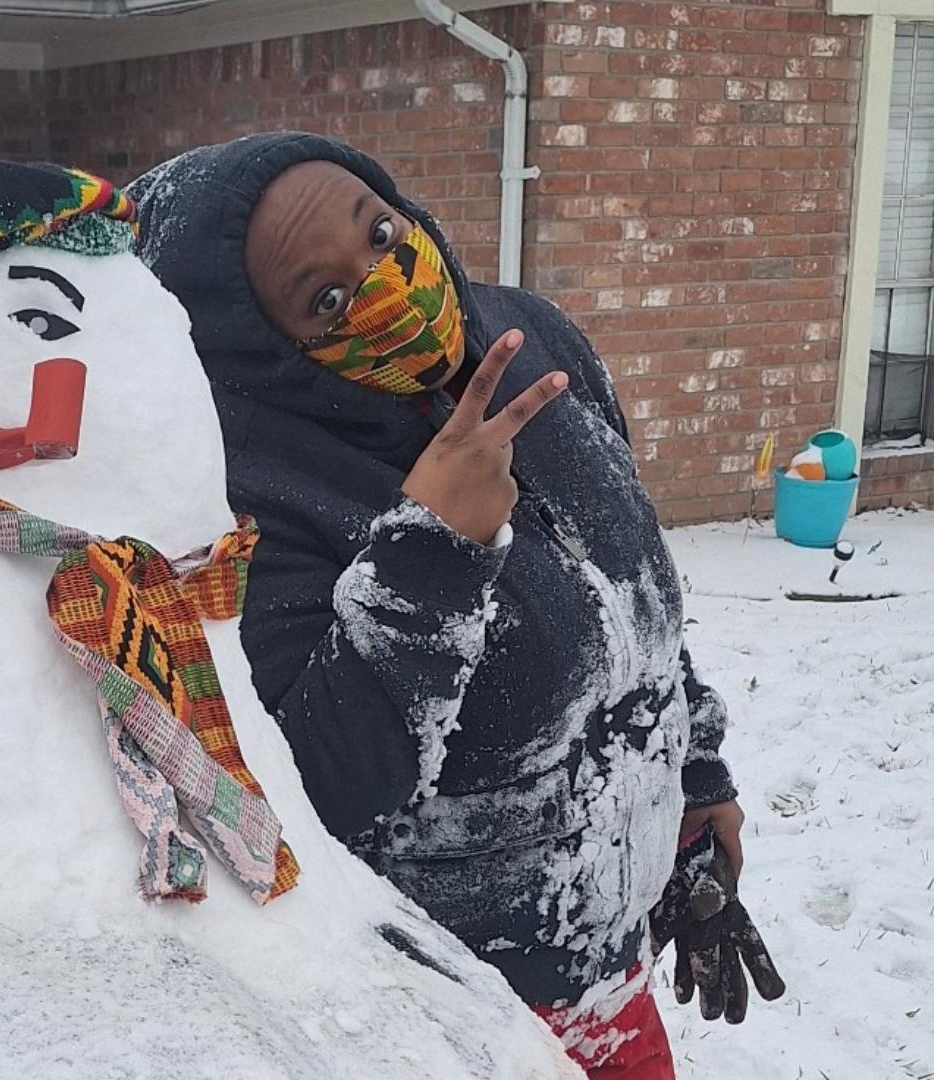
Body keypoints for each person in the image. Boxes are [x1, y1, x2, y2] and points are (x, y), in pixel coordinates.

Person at [129, 133, 783, 1078]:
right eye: (327, 300)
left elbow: (630, 600)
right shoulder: (242, 487)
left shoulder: (530, 341)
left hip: (614, 970)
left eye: (380, 231)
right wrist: (434, 551)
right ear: (262, 349)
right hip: (455, 1023)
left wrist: (694, 788)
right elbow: (316, 785)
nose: (386, 281)